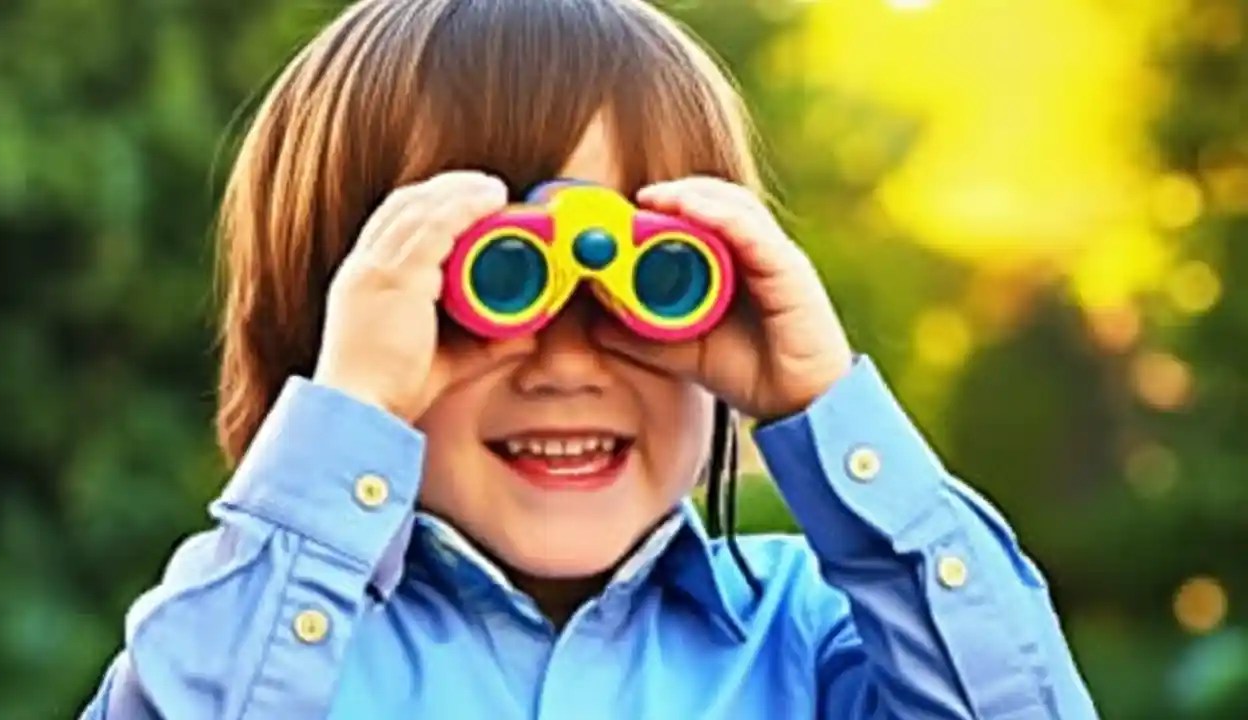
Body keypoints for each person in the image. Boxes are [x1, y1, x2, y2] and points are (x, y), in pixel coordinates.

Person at [79, 0, 1099, 718]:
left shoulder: (813, 638)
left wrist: (823, 403)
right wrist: (345, 428)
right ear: (343, 325)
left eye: (654, 284)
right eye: (486, 284)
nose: (567, 362)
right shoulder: (264, 646)